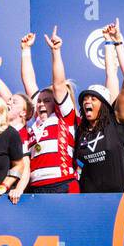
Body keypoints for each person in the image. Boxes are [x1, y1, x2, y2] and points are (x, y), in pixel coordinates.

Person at [76, 21, 124, 193]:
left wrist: (109, 42)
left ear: (103, 105)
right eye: (85, 99)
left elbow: (114, 78)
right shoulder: (80, 130)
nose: (87, 102)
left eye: (93, 99)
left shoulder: (114, 123)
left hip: (120, 196)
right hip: (90, 198)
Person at [19, 28, 79, 193]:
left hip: (62, 183)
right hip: (36, 188)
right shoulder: (36, 123)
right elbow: (28, 81)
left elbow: (58, 84)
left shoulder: (64, 117)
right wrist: (25, 50)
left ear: (57, 104)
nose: (40, 104)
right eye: (39, 101)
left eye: (47, 101)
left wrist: (56, 51)